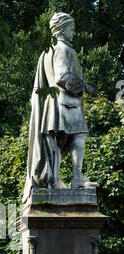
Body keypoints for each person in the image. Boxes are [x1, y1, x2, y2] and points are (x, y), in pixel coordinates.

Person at [23, 12, 98, 203]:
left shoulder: (47, 52)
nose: (73, 33)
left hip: (53, 105)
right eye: (71, 29)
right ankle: (77, 177)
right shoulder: (64, 50)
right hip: (67, 103)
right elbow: (61, 78)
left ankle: (55, 180)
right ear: (61, 30)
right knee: (79, 137)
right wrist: (85, 87)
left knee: (57, 143)